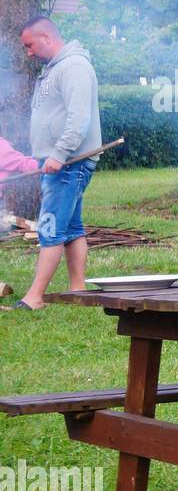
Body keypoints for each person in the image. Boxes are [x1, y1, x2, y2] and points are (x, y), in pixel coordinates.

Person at [11, 17, 103, 310]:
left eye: (29, 45)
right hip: (62, 162)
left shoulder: (74, 67)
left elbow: (79, 118)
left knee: (49, 226)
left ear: (46, 37)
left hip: (69, 163)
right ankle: (78, 290)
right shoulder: (56, 68)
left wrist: (59, 154)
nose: (28, 52)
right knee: (72, 227)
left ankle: (35, 296)